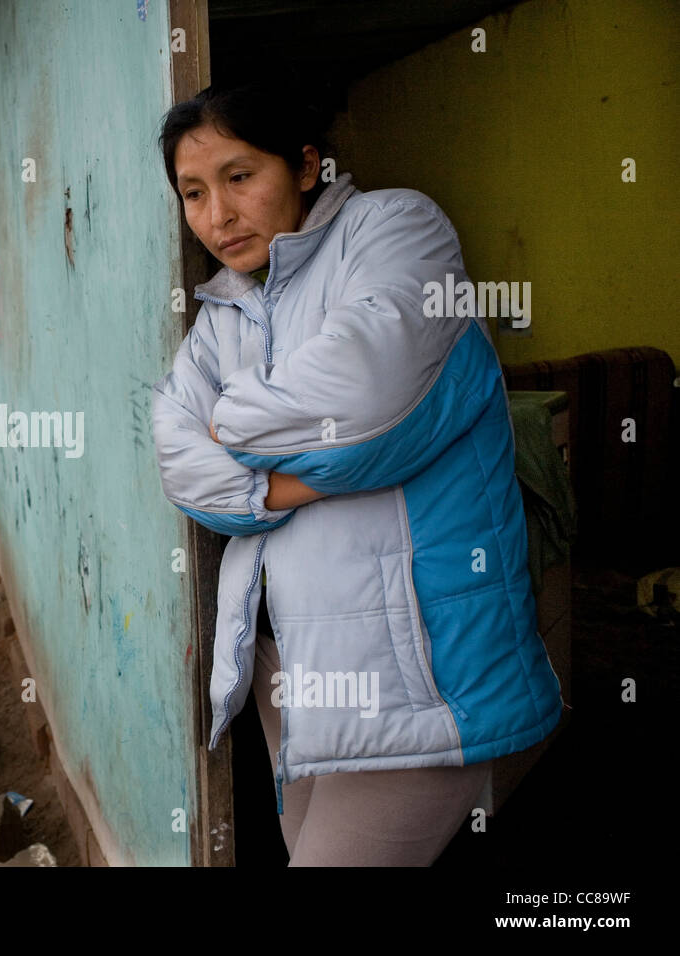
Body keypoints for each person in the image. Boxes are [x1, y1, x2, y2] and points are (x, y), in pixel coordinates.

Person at [150, 81, 562, 866]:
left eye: (240, 177)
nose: (218, 215)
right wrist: (277, 483)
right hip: (288, 663)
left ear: (305, 165)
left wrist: (227, 424)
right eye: (194, 193)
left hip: (416, 675)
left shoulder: (397, 229)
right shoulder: (224, 309)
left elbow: (368, 399)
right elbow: (181, 467)